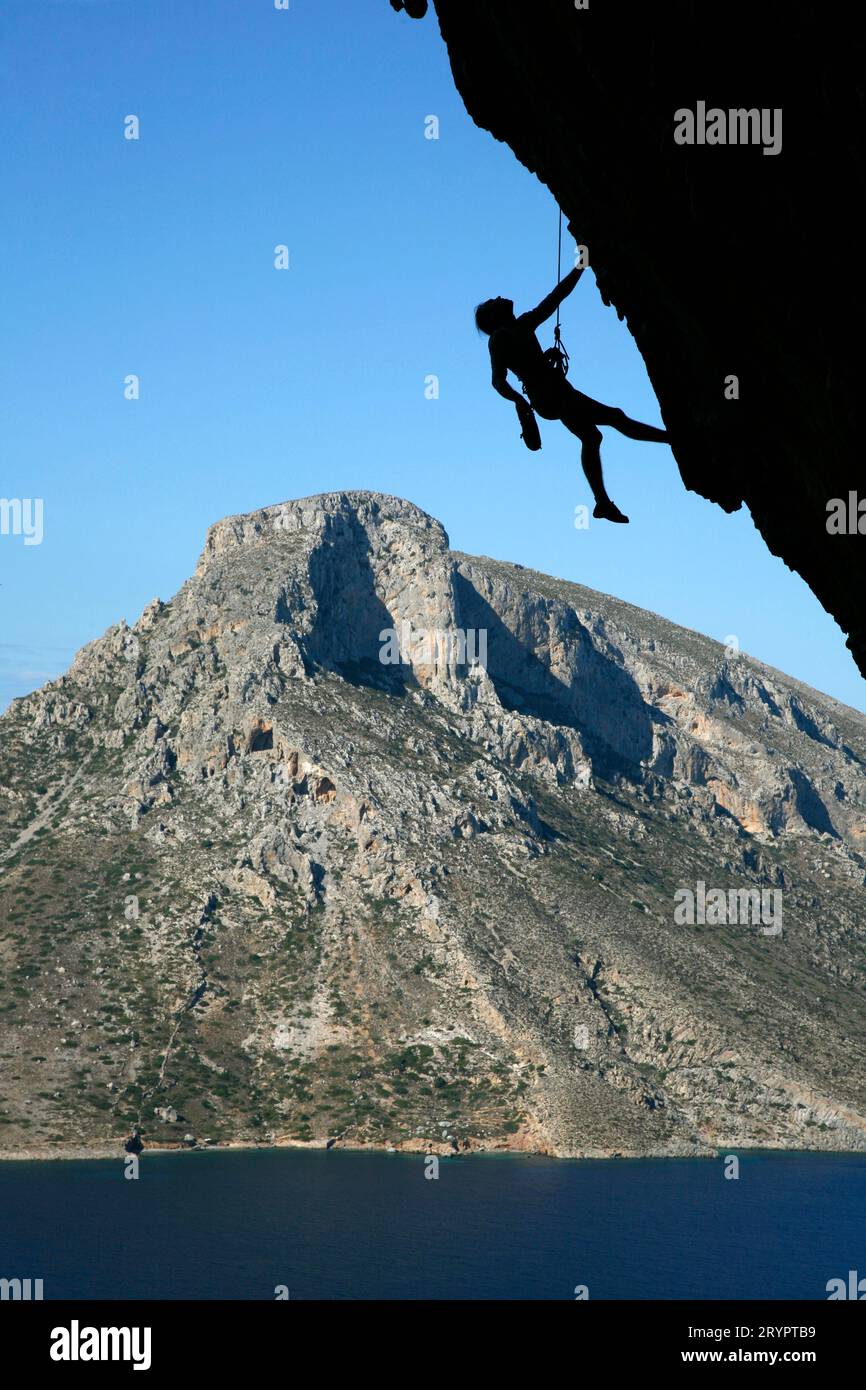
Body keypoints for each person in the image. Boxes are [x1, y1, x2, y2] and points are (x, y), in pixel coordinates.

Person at [475, 267, 669, 523]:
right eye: (493, 301)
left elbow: (554, 300)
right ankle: (674, 440)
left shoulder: (519, 326)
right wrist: (580, 265)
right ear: (495, 316)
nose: (499, 297)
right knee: (614, 418)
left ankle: (602, 502)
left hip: (550, 395)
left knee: (593, 436)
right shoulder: (503, 336)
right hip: (551, 395)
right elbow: (498, 381)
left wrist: (540, 366)